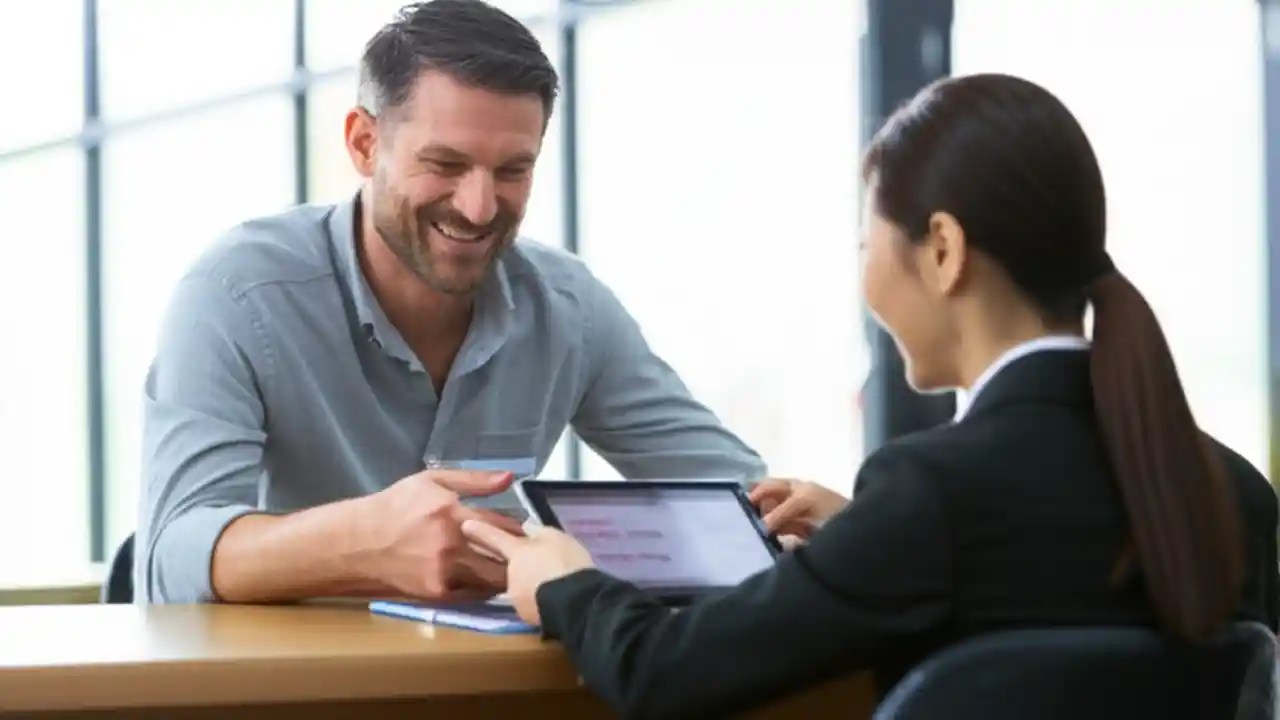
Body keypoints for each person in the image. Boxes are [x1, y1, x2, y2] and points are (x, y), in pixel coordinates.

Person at [460, 73, 1280, 718]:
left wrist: (566, 583)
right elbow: (1041, 585)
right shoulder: (1229, 491)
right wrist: (863, 538)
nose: (864, 277)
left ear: (943, 249)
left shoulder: (931, 496)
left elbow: (666, 676)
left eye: (867, 242)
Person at [135, 0, 766, 605]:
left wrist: (820, 525)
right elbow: (170, 559)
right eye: (445, 163)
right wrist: (361, 543)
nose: (479, 207)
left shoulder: (569, 308)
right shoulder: (237, 293)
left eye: (513, 170)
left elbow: (744, 501)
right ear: (363, 144)